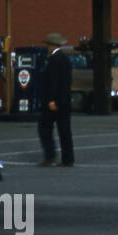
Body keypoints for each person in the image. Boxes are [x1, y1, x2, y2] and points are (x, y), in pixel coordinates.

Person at [37, 32, 74, 167]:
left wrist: (51, 100)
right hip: (65, 100)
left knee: (44, 127)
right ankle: (68, 158)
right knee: (65, 131)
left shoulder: (53, 59)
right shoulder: (65, 58)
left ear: (51, 45)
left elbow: (53, 81)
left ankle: (50, 155)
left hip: (54, 101)